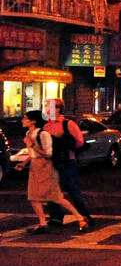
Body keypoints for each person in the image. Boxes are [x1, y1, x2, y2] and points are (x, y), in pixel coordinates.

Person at [21, 110, 86, 234]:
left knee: (55, 197)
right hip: (35, 167)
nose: (23, 121)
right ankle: (42, 223)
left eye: (25, 118)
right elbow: (32, 153)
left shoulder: (43, 134)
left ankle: (80, 218)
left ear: (33, 121)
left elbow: (48, 154)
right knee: (33, 197)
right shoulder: (29, 133)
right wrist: (24, 162)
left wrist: (33, 145)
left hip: (46, 167)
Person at [44, 99, 93, 228]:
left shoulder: (68, 124)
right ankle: (56, 217)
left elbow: (79, 142)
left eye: (48, 107)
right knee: (52, 190)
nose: (46, 110)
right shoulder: (46, 125)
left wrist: (63, 146)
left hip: (67, 161)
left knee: (72, 189)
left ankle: (84, 215)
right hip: (51, 161)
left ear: (58, 109)